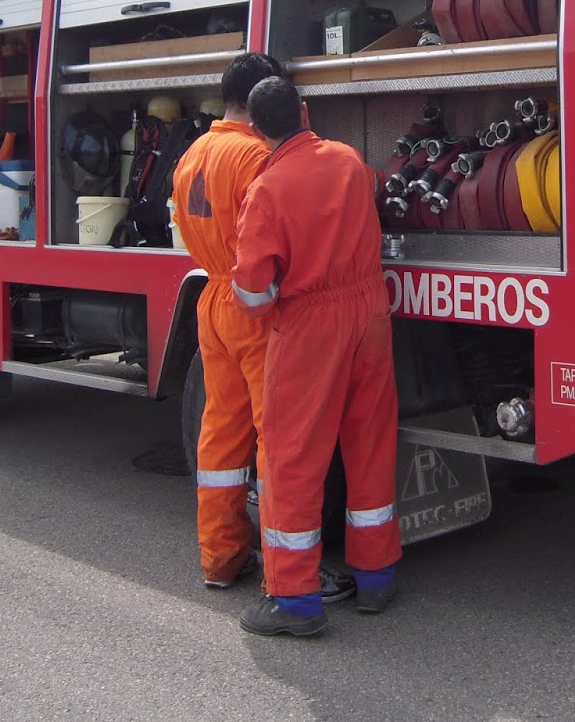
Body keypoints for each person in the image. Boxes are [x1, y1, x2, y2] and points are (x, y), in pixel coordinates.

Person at [171, 53, 354, 606]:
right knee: (279, 445)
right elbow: (274, 236)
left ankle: (221, 557)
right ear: (261, 98)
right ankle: (288, 574)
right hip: (256, 311)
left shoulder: (193, 155)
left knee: (221, 435)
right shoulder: (257, 157)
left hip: (213, 301)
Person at [231, 76, 402, 637]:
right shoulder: (350, 161)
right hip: (369, 312)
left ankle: (294, 600)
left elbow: (254, 295)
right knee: (370, 442)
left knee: (291, 458)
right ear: (304, 112)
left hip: (309, 327)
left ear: (256, 130)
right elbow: (377, 190)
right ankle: (376, 576)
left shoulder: (267, 189)